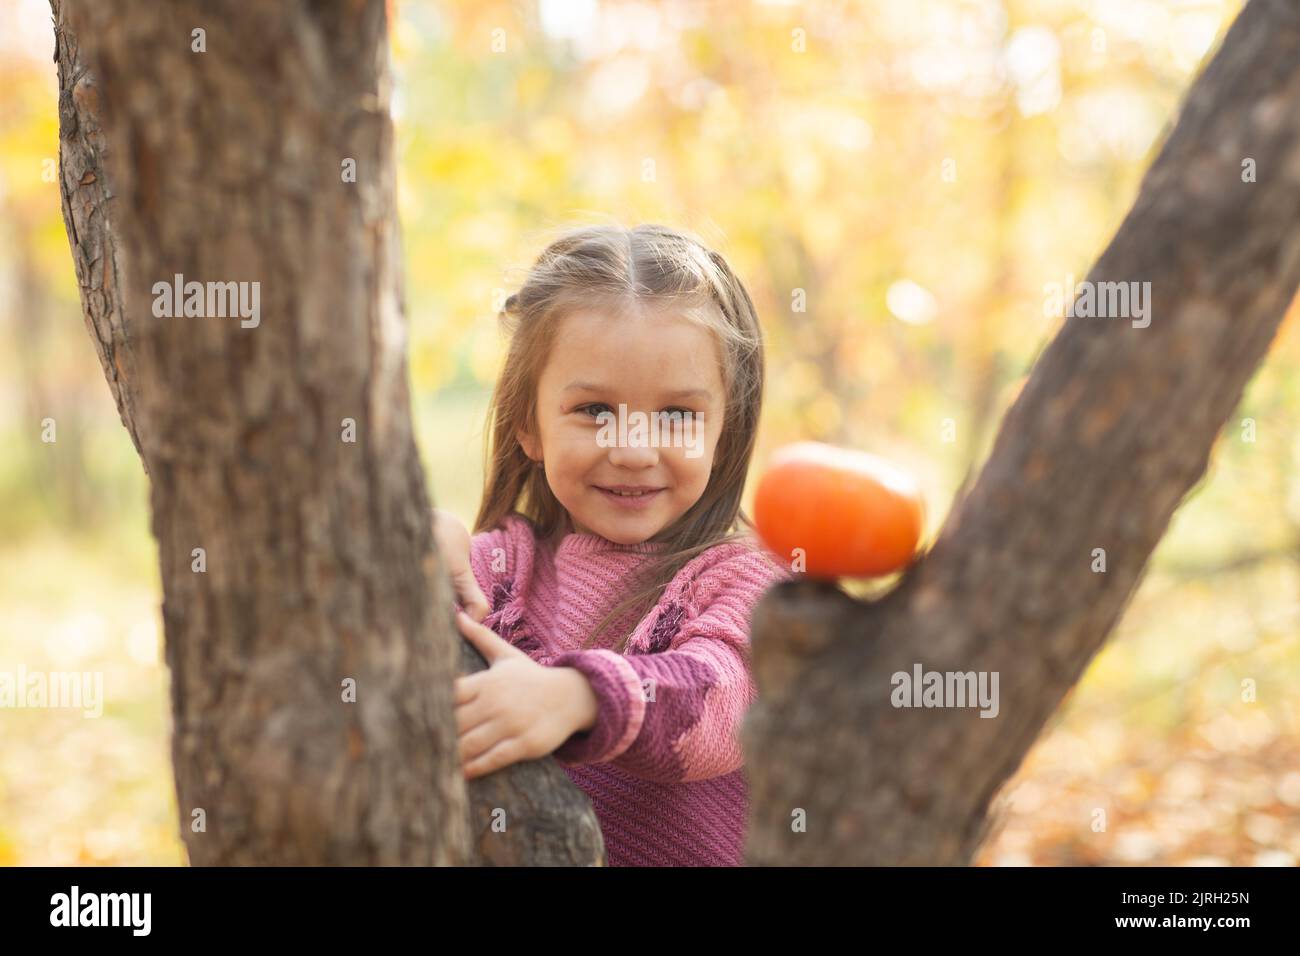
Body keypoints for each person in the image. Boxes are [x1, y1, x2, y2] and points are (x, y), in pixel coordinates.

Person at [434, 222, 791, 866]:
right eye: (594, 410)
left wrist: (576, 697)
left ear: (723, 429)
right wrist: (411, 544)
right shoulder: (495, 571)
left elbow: (716, 705)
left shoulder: (746, 584)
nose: (632, 451)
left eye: (677, 415)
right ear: (529, 425)